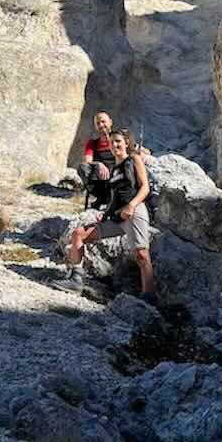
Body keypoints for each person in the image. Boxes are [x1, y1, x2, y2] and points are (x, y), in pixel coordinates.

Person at [60, 130, 156, 302]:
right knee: (79, 234)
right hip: (117, 217)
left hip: (134, 213)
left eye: (118, 141)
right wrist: (105, 215)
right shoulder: (114, 169)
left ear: (127, 142)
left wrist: (131, 205)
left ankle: (148, 297)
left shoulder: (134, 159)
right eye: (111, 143)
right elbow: (115, 197)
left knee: (142, 255)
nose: (114, 145)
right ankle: (76, 280)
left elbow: (145, 188)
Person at [78, 111, 116, 210]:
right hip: (99, 178)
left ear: (110, 122)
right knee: (82, 167)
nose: (101, 125)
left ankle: (110, 198)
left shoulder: (119, 139)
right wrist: (98, 164)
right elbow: (87, 161)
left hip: (116, 175)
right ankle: (100, 197)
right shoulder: (92, 143)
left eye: (103, 121)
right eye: (98, 123)